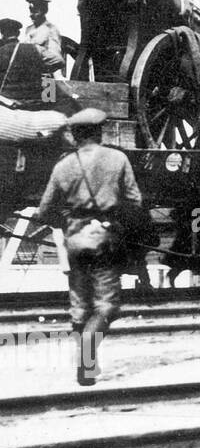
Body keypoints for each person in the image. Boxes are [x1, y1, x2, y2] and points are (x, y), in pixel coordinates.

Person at [34, 108, 142, 385]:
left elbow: (45, 210)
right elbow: (135, 202)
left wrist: (68, 220)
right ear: (99, 132)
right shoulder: (118, 159)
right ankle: (87, 357)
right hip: (105, 240)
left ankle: (86, 365)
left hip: (75, 242)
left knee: (80, 306)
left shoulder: (62, 166)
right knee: (107, 306)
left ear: (75, 136)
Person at [0, 17, 46, 105]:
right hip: (31, 99)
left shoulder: (2, 51)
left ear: (2, 33)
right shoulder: (32, 49)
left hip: (7, 100)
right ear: (18, 33)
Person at [24, 0, 64, 76]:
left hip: (45, 78)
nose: (31, 15)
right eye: (30, 11)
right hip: (28, 76)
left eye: (35, 11)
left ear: (44, 11)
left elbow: (57, 59)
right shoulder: (28, 29)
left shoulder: (51, 29)